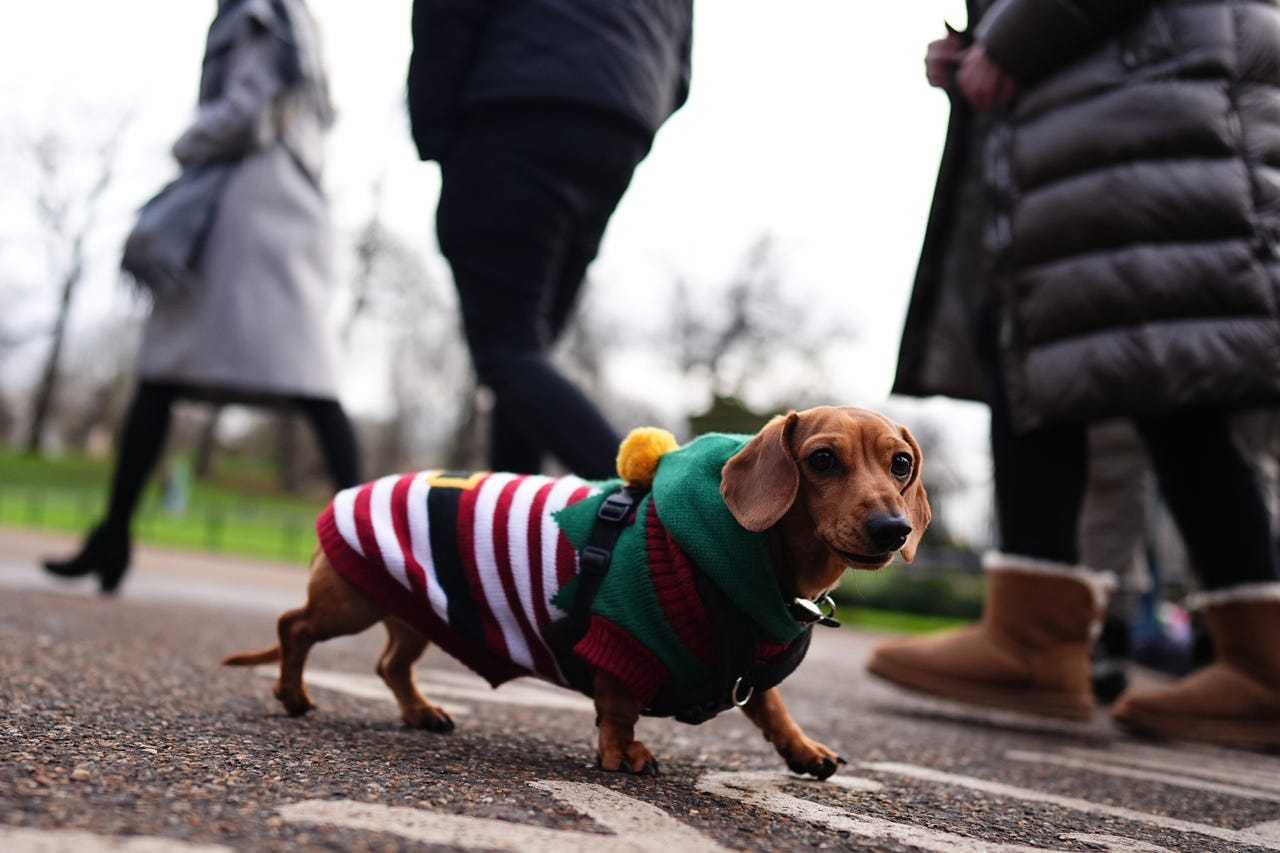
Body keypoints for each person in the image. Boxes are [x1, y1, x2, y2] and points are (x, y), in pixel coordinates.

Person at [866, 0, 1280, 749]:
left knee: (1155, 365)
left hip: (1150, 93)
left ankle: (1047, 641)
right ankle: (1234, 658)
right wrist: (980, 44)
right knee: (1138, 367)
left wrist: (1017, 34)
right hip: (1135, 89)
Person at [44, 0, 361, 595]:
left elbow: (243, 113)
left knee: (163, 373)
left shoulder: (255, 13)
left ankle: (113, 537)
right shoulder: (300, 21)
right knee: (311, 383)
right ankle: (380, 546)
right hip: (293, 207)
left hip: (246, 213)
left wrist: (185, 142)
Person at [405, 0, 694, 479]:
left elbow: (445, 15)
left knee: (507, 351)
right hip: (621, 120)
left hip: (515, 107)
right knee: (524, 356)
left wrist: (436, 134)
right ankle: (506, 536)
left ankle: (662, 510)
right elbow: (681, 71)